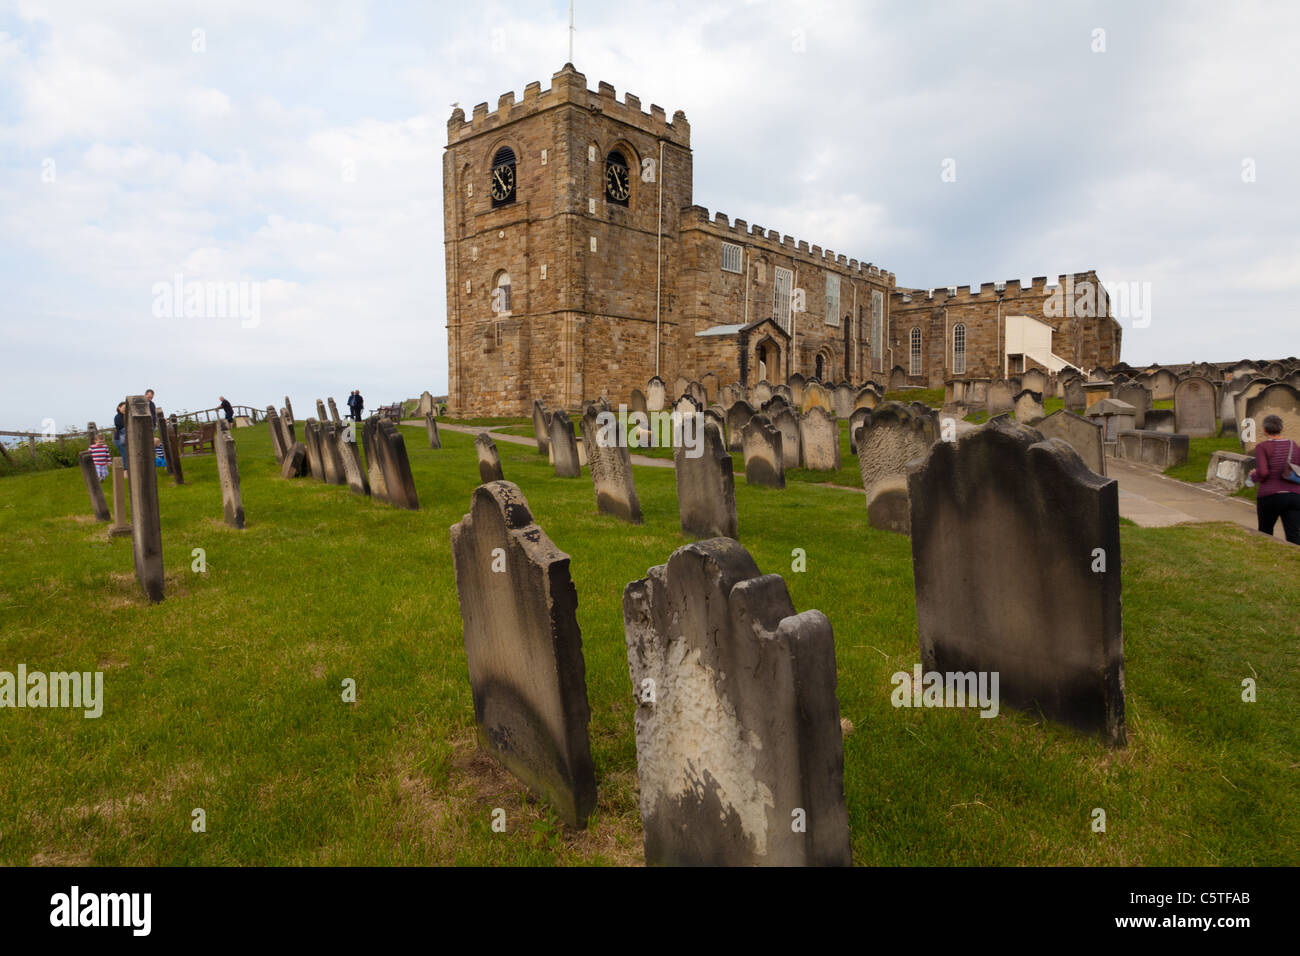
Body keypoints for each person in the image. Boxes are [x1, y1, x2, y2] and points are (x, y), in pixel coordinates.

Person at [1248, 414, 1300, 545]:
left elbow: (1264, 472)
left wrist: (1253, 476)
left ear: (1265, 430)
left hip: (1270, 495)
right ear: (1281, 428)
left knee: (1265, 532)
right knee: (1293, 534)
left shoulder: (1263, 447)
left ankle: (1266, 559)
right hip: (1294, 495)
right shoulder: (1293, 445)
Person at [112, 401, 128, 465]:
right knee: (125, 455)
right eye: (124, 407)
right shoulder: (117, 417)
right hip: (119, 438)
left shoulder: (127, 416)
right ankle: (125, 471)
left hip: (125, 437)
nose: (125, 409)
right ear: (119, 408)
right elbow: (122, 426)